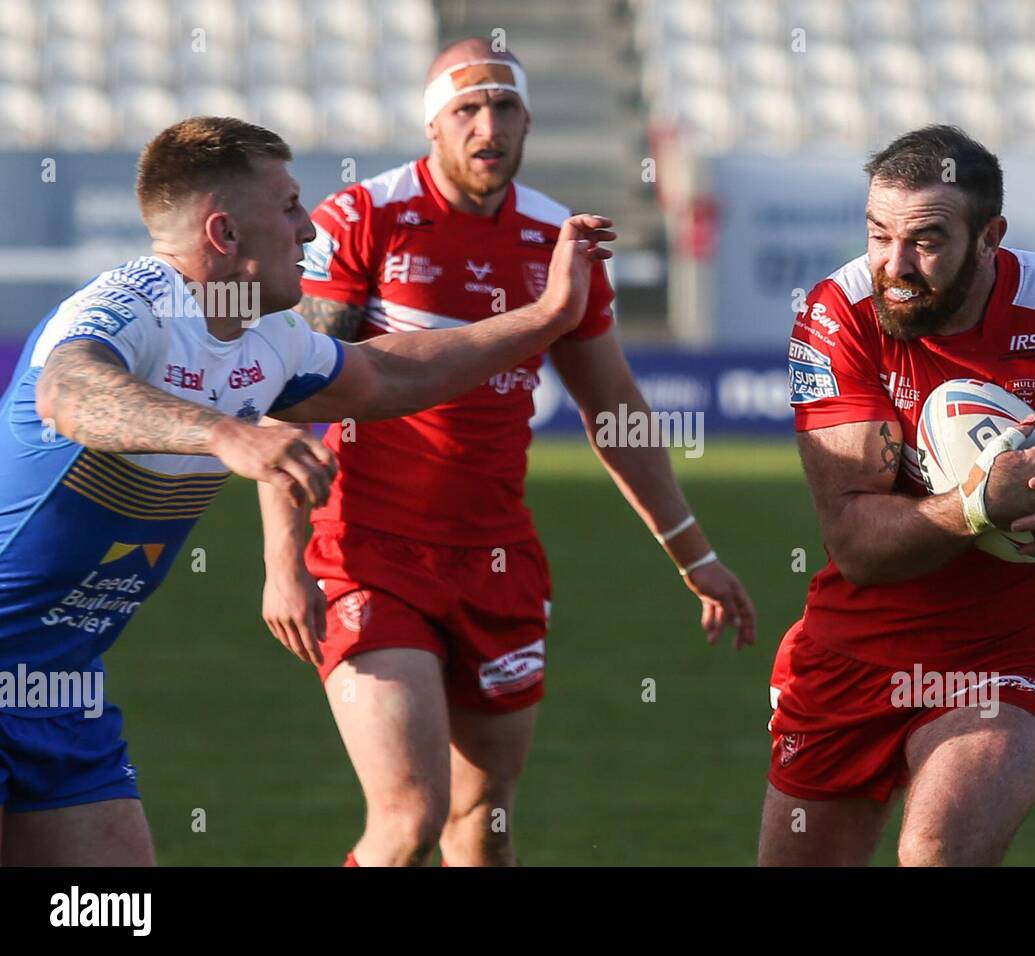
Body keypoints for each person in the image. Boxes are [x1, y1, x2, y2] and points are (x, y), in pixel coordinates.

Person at [0, 115, 614, 865]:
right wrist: (229, 434)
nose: (310, 230)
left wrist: (547, 317)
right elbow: (68, 392)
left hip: (59, 689)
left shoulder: (270, 338)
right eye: (290, 206)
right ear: (224, 233)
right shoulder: (132, 306)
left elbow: (397, 372)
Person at [258, 38, 757, 867]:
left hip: (497, 562)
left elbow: (615, 410)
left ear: (527, 119)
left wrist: (691, 551)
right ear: (433, 125)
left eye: (505, 107)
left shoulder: (556, 239)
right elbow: (290, 395)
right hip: (369, 553)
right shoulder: (365, 219)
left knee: (482, 819)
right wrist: (282, 558)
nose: (488, 124)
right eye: (466, 109)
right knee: (409, 820)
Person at [760, 125, 1035, 866]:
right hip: (851, 653)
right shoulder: (840, 315)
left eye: (925, 241)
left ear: (990, 235)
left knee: (937, 854)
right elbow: (857, 546)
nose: (895, 266)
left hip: (1011, 656)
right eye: (878, 236)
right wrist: (977, 505)